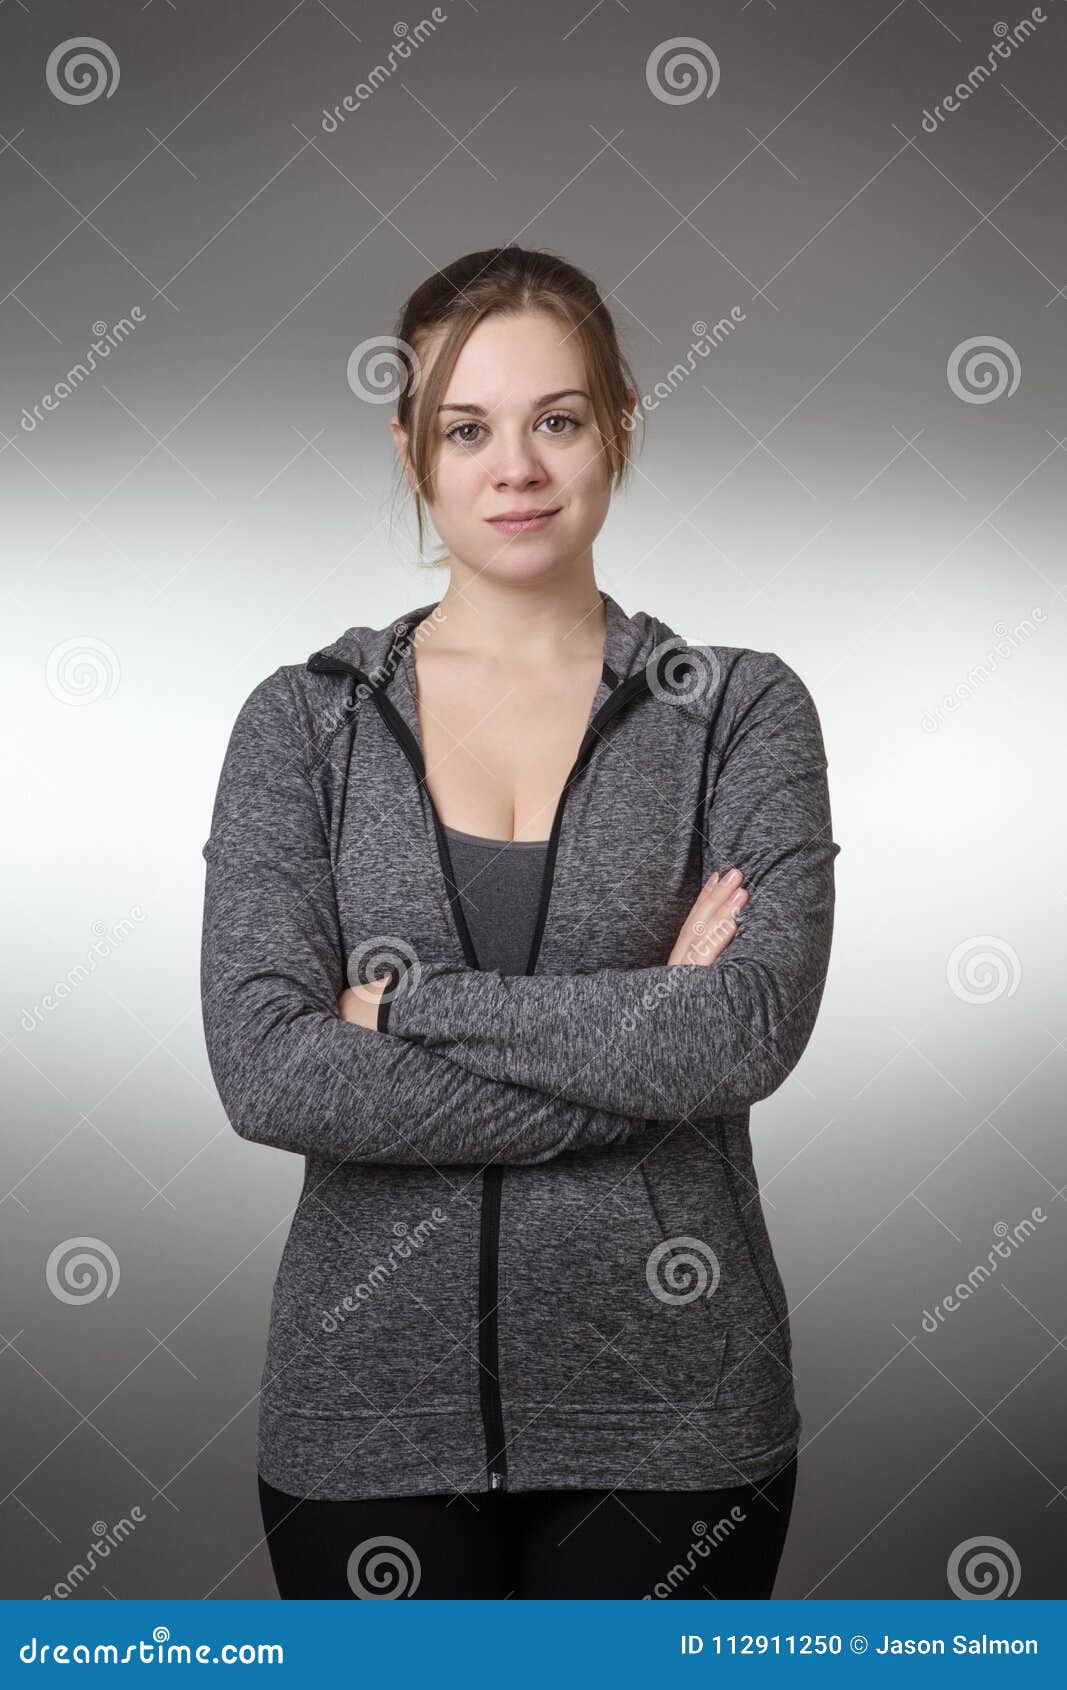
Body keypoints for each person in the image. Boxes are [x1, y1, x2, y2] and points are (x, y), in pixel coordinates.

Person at [200, 245, 840, 1599]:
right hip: (364, 1419)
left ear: (619, 428)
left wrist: (404, 1006)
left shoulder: (739, 711)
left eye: (557, 419)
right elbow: (269, 1070)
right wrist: (636, 1047)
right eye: (466, 430)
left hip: (677, 1420)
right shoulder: (303, 722)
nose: (517, 469)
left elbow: (740, 1035)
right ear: (411, 451)